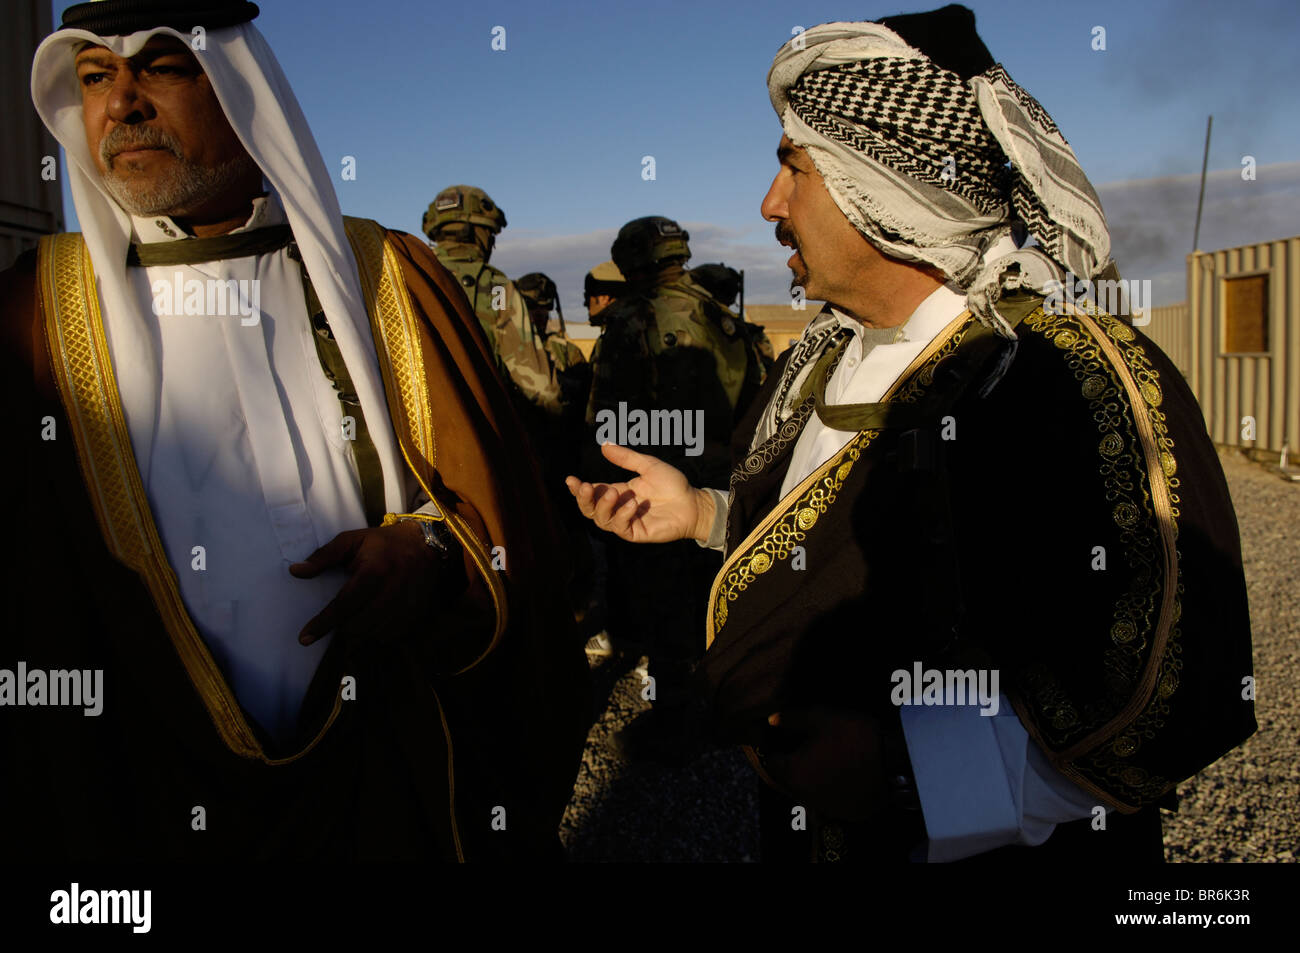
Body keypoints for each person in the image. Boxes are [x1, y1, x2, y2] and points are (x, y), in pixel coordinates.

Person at [568, 7, 1255, 862]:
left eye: (793, 168)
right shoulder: (826, 356)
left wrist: (908, 766)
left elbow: (1173, 690)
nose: (770, 204)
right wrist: (706, 513)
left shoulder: (1064, 372)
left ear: (885, 187)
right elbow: (826, 540)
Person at [0, 0, 588, 862]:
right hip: (148, 793)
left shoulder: (386, 273)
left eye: (161, 67)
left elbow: (503, 518)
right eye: (93, 78)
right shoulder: (36, 313)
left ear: (243, 88)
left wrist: (429, 552)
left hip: (382, 771)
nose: (120, 103)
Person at [582, 216, 762, 761]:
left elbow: (605, 423)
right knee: (710, 600)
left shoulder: (632, 318)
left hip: (659, 494)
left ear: (630, 259)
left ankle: (676, 724)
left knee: (666, 611)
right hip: (719, 494)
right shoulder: (721, 314)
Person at [423, 185, 564, 418]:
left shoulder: (405, 274)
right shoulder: (497, 289)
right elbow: (541, 390)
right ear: (482, 233)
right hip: (477, 432)